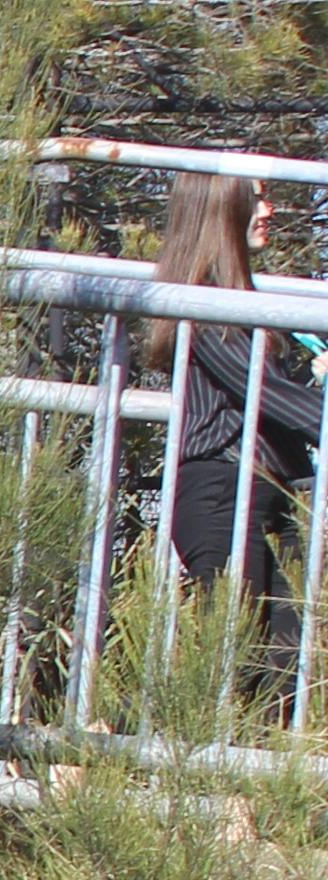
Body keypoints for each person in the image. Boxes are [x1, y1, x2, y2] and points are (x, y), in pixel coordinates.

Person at [152, 170, 323, 663]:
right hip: (223, 492)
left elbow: (265, 396)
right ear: (222, 209)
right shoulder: (203, 301)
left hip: (273, 492)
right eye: (256, 198)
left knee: (286, 664)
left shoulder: (235, 299)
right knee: (235, 661)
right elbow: (263, 390)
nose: (268, 211)